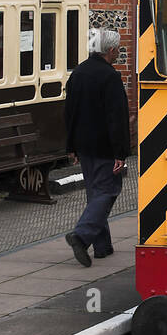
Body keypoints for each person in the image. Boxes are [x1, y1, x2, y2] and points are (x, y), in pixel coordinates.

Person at [64, 27, 129, 266]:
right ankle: (81, 236)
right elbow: (116, 117)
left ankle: (103, 247)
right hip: (105, 146)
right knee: (107, 192)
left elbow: (68, 112)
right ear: (110, 50)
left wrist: (70, 145)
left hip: (83, 145)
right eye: (118, 50)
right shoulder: (109, 77)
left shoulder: (78, 73)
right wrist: (120, 152)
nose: (118, 54)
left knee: (95, 194)